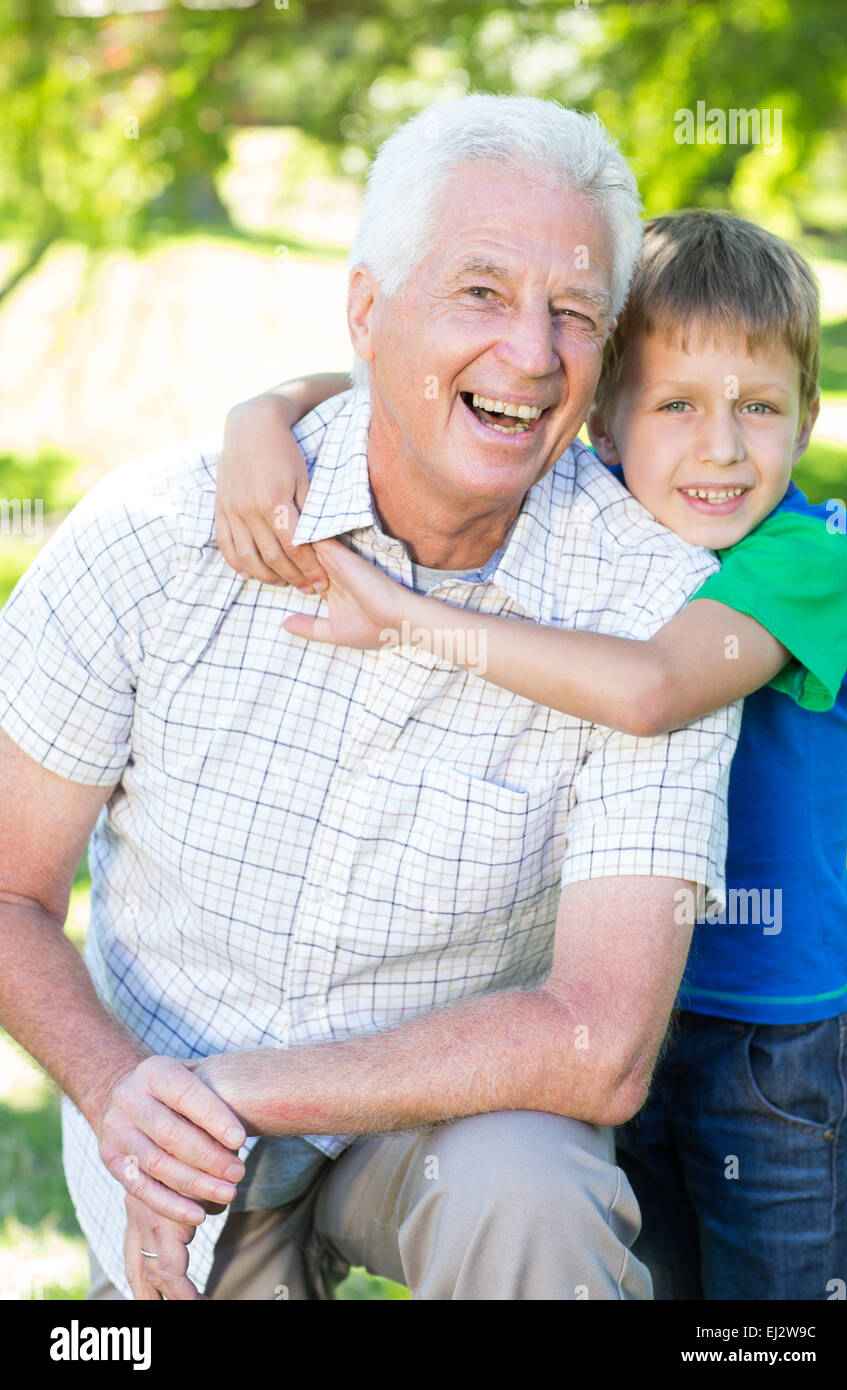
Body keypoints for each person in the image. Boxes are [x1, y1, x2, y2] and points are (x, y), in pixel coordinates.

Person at [0, 95, 740, 1302]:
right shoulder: (161, 532)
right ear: (364, 311)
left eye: (572, 314)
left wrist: (244, 1083)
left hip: (441, 1109)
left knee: (533, 1197)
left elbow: (598, 1045)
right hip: (170, 1099)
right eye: (479, 293)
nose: (531, 354)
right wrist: (125, 1093)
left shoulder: (659, 617)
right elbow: (7, 886)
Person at [215, 209, 847, 1300]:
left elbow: (649, 689)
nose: (719, 447)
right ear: (599, 422)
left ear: (805, 418)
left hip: (770, 1043)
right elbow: (400, 390)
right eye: (675, 406)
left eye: (758, 408)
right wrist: (262, 413)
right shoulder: (595, 517)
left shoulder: (809, 558)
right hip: (599, 1016)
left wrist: (408, 620)